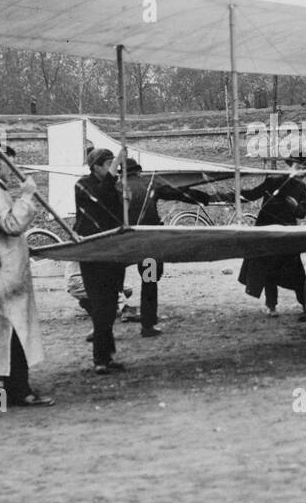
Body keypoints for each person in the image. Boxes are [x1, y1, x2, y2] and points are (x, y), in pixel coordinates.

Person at [0, 145, 55, 408]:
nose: (14, 169)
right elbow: (12, 224)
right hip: (3, 276)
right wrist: (26, 197)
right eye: (11, 163)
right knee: (13, 335)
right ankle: (18, 391)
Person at [122, 158, 212, 337]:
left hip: (122, 242)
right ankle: (147, 325)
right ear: (139, 171)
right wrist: (205, 198)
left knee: (111, 283)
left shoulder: (116, 187)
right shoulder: (149, 184)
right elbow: (178, 193)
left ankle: (101, 328)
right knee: (149, 281)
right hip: (149, 242)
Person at [74, 148, 128, 373]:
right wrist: (115, 169)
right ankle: (100, 359)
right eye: (106, 165)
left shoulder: (111, 185)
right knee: (100, 306)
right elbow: (98, 199)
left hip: (112, 251)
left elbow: (115, 212)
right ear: (96, 166)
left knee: (110, 304)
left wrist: (125, 198)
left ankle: (108, 356)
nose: (110, 169)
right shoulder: (82, 185)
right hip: (94, 251)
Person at [238, 166, 306, 317]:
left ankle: (305, 304)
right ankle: (272, 306)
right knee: (268, 268)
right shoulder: (273, 181)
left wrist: (296, 207)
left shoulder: (301, 186)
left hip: (287, 233)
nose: (301, 173)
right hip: (268, 230)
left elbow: (302, 212)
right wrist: (235, 193)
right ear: (291, 167)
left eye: (304, 169)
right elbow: (252, 195)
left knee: (296, 269)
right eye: (298, 167)